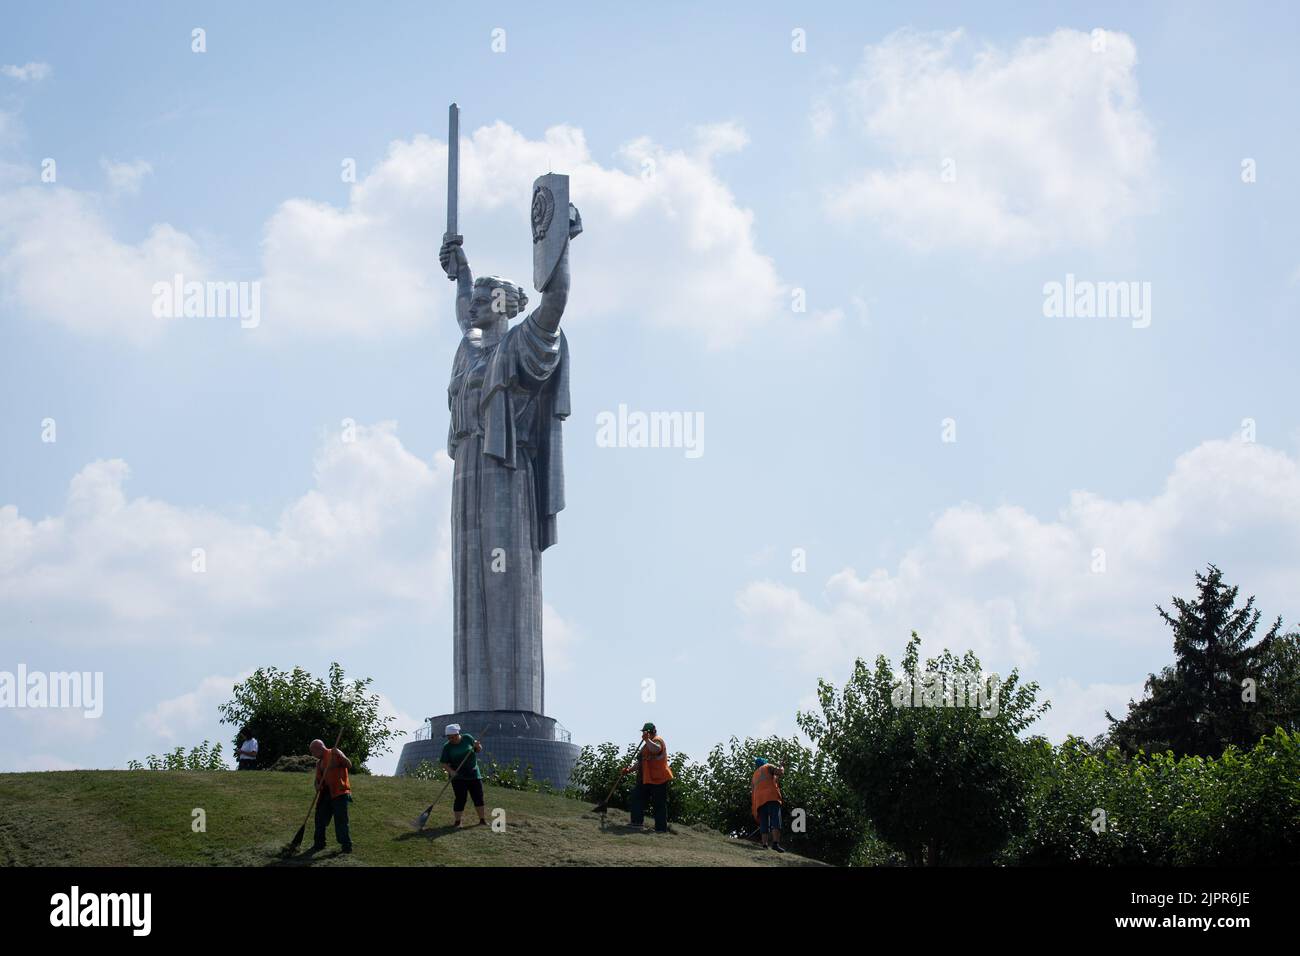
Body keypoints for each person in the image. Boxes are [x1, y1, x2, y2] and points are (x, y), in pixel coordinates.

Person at [623, 722, 673, 833]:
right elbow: (641, 762)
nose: (646, 734)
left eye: (648, 732)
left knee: (659, 804)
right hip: (646, 778)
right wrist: (629, 770)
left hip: (659, 779)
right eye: (645, 732)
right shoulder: (647, 744)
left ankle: (661, 829)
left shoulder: (658, 740)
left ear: (653, 732)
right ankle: (636, 823)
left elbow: (656, 749)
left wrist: (646, 740)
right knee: (637, 797)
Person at [308, 737, 353, 853]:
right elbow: (317, 780)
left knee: (341, 821)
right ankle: (319, 843)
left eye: (313, 752)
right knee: (319, 819)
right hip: (325, 794)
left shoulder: (334, 753)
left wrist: (340, 755)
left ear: (319, 748)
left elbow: (349, 765)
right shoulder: (319, 763)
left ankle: (346, 846)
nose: (312, 754)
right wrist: (317, 786)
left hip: (339, 792)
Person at [439, 723, 487, 827]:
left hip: (473, 773)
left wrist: (478, 746)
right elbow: (443, 763)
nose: (451, 739)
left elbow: (477, 750)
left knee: (478, 797)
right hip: (458, 776)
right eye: (449, 737)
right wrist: (451, 771)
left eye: (452, 737)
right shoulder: (447, 747)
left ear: (457, 734)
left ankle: (482, 820)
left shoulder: (467, 738)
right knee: (460, 798)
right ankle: (457, 822)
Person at [750, 757, 786, 852]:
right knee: (775, 821)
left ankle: (764, 845)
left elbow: (754, 791)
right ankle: (775, 844)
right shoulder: (768, 766)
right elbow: (779, 772)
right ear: (764, 762)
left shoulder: (754, 776)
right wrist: (782, 766)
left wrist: (754, 808)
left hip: (759, 802)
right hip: (771, 798)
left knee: (764, 823)